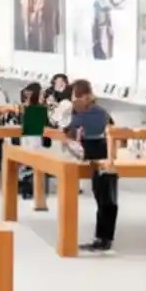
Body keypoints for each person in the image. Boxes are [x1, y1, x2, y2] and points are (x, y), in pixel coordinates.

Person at [61, 80, 117, 253]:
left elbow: (70, 130)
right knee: (105, 198)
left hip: (100, 154)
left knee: (105, 198)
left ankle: (103, 239)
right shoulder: (99, 112)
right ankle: (103, 237)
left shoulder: (89, 113)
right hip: (100, 154)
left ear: (85, 96)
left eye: (77, 96)